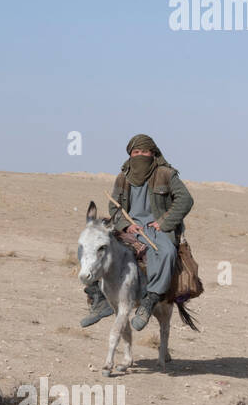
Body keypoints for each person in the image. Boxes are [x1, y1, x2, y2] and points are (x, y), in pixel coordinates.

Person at [82, 134, 193, 330]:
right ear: (130, 154)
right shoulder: (123, 177)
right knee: (95, 244)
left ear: (153, 153)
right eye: (136, 152)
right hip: (131, 228)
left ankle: (150, 300)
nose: (140, 155)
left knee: (165, 252)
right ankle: (98, 297)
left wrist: (165, 221)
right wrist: (125, 224)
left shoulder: (166, 174)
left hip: (157, 228)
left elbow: (185, 200)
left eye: (144, 152)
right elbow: (114, 206)